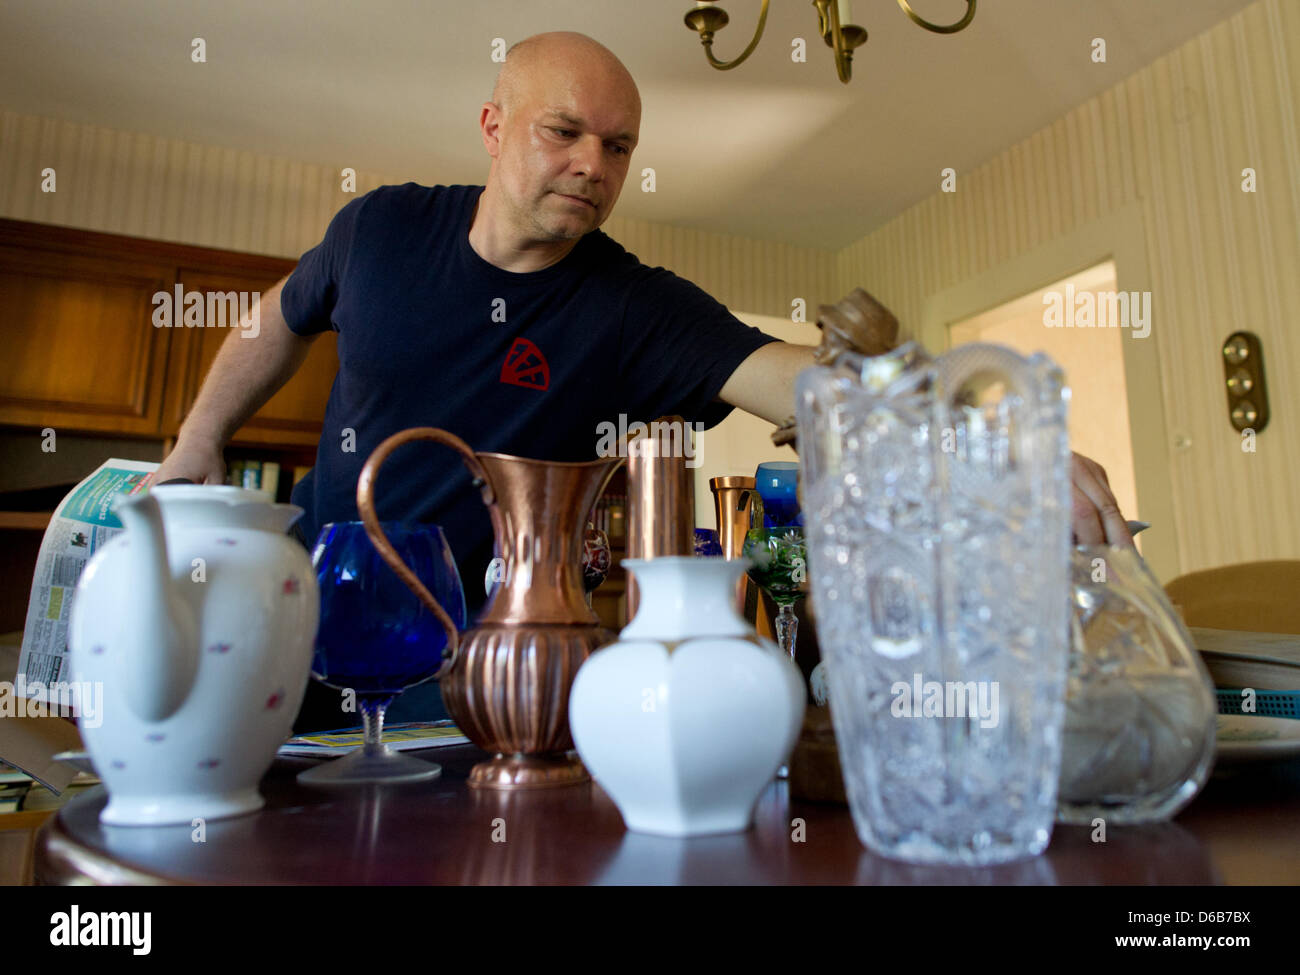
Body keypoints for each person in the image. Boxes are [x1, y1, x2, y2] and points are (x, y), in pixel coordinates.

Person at [153, 31, 1134, 728]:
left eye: (618, 147)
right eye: (564, 133)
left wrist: (986, 443)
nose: (593, 165)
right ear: (494, 126)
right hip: (304, 612)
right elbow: (267, 325)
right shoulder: (377, 233)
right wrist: (198, 442)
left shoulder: (631, 306)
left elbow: (799, 385)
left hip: (483, 663)